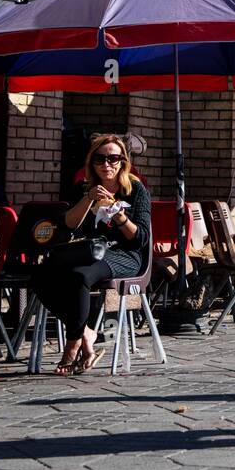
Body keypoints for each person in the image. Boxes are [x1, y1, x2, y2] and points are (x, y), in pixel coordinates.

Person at [32, 134, 152, 374]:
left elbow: (140, 238)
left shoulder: (135, 189)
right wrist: (88, 199)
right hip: (89, 251)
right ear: (92, 162)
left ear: (123, 161)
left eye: (113, 158)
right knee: (40, 275)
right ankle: (86, 332)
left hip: (125, 255)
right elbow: (69, 225)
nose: (107, 165)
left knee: (79, 276)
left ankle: (73, 344)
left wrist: (118, 215)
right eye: (100, 159)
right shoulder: (84, 188)